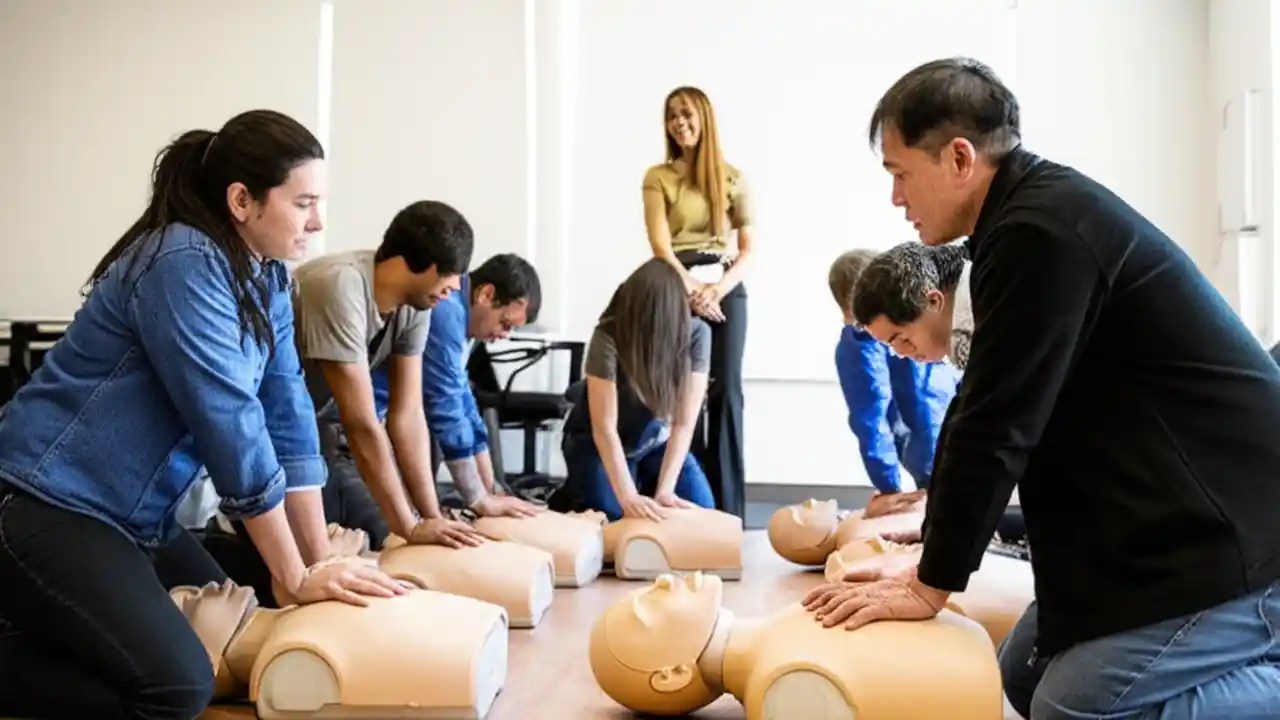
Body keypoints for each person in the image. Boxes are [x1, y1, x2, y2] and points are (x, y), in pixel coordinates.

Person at [803, 57, 1280, 719]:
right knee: (1023, 681)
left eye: (900, 174)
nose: (896, 200)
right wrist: (936, 539)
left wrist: (931, 583)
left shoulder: (1041, 233)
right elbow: (983, 414)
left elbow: (997, 423)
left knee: (1071, 710)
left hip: (1242, 535)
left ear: (960, 158)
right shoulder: (1015, 228)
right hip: (1168, 523)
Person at [0, 110, 405, 719]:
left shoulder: (265, 276)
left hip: (133, 520)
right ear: (242, 200)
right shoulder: (181, 261)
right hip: (45, 505)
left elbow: (287, 415)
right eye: (304, 203)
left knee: (235, 639)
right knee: (177, 686)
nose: (318, 223)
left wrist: (317, 559)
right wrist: (293, 577)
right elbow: (232, 427)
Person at [291, 201, 507, 553]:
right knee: (378, 536)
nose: (454, 286)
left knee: (401, 534)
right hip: (279, 441)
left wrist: (430, 516)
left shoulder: (415, 305)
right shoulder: (339, 285)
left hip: (319, 436)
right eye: (448, 272)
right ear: (413, 262)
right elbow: (360, 421)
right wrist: (409, 524)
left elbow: (408, 415)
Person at [642, 85, 754, 519]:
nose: (679, 123)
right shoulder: (658, 177)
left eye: (686, 114)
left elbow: (749, 250)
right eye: (672, 116)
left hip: (722, 285)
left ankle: (729, 512)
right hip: (676, 282)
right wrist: (691, 289)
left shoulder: (733, 179)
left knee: (726, 393)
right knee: (680, 395)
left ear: (704, 118)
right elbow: (660, 245)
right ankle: (683, 498)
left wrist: (717, 290)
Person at [370, 253, 544, 510]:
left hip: (387, 420)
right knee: (391, 529)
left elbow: (464, 402)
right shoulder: (447, 311)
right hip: (360, 426)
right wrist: (478, 499)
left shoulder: (467, 319)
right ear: (485, 294)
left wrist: (492, 490)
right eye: (505, 323)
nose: (504, 335)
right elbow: (446, 405)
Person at [549, 259, 717, 522]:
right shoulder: (609, 335)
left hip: (653, 444)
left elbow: (684, 424)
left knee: (701, 512)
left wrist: (665, 492)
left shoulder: (697, 334)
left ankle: (645, 483)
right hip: (596, 444)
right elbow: (604, 429)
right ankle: (571, 495)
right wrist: (628, 498)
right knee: (617, 517)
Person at [827, 249, 960, 497]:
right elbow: (871, 417)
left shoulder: (920, 322)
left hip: (952, 446)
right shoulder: (862, 344)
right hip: (939, 455)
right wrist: (890, 489)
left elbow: (871, 418)